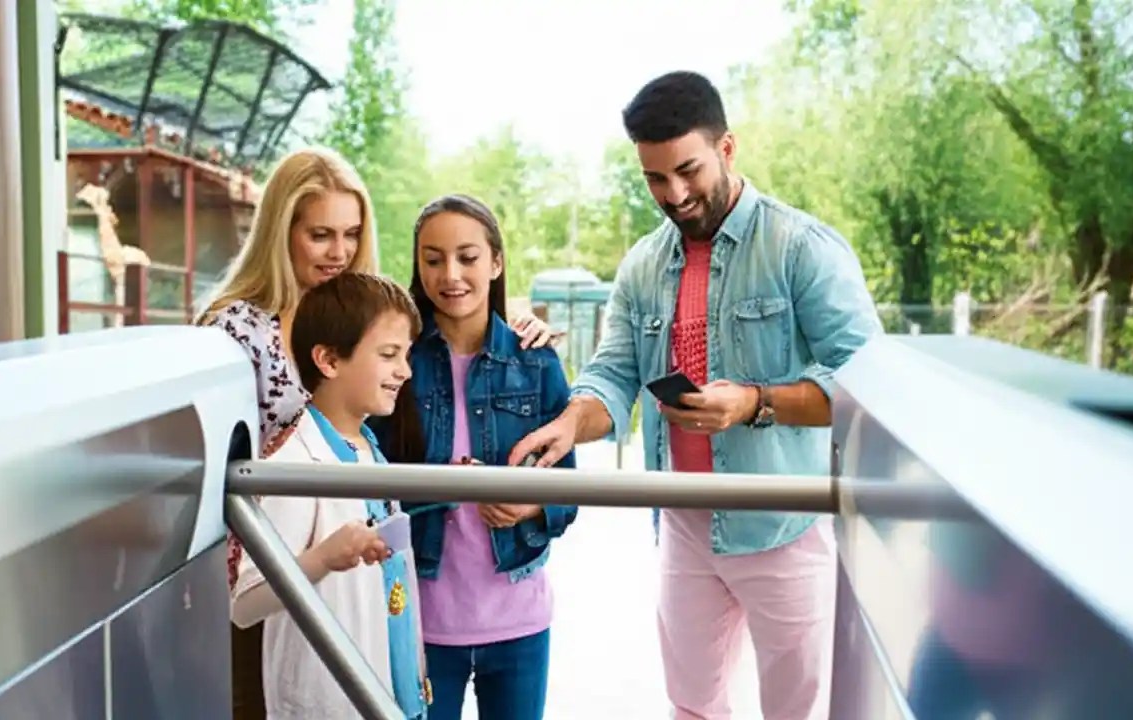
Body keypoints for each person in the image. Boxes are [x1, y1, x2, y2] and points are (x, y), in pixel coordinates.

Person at [509, 71, 883, 720]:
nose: (674, 194)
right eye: (656, 178)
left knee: (801, 710)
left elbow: (869, 381)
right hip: (684, 525)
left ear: (727, 148)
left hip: (784, 528)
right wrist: (571, 422)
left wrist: (754, 402)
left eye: (688, 170)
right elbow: (612, 374)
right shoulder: (641, 266)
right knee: (692, 707)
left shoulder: (801, 248)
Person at [195, 147, 557, 719]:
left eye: (351, 233)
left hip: (362, 578)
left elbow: (431, 330)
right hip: (275, 554)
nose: (339, 251)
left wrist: (510, 325)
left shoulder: (367, 319)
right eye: (320, 234)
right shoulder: (238, 329)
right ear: (281, 233)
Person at [373, 195, 578, 720]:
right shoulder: (397, 362)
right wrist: (441, 485)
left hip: (519, 620)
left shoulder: (537, 363)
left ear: (496, 262)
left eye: (467, 256)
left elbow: (569, 492)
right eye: (433, 258)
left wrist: (528, 505)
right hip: (420, 617)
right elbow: (369, 481)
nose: (451, 274)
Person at [229, 271, 429, 719]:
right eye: (389, 355)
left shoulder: (368, 449)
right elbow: (245, 604)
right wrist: (324, 557)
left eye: (406, 355)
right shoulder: (296, 463)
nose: (405, 371)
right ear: (329, 360)